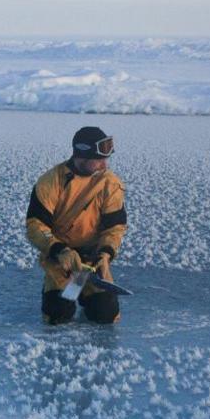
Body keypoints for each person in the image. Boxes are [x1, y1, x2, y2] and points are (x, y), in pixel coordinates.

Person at [26, 127, 127, 325]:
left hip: (93, 262)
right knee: (58, 315)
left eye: (106, 159)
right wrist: (59, 250)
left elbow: (115, 228)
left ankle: (89, 290)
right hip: (62, 260)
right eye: (99, 159)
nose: (104, 164)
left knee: (105, 315)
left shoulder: (110, 183)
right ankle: (58, 287)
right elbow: (35, 225)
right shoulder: (50, 182)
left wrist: (105, 254)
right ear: (81, 156)